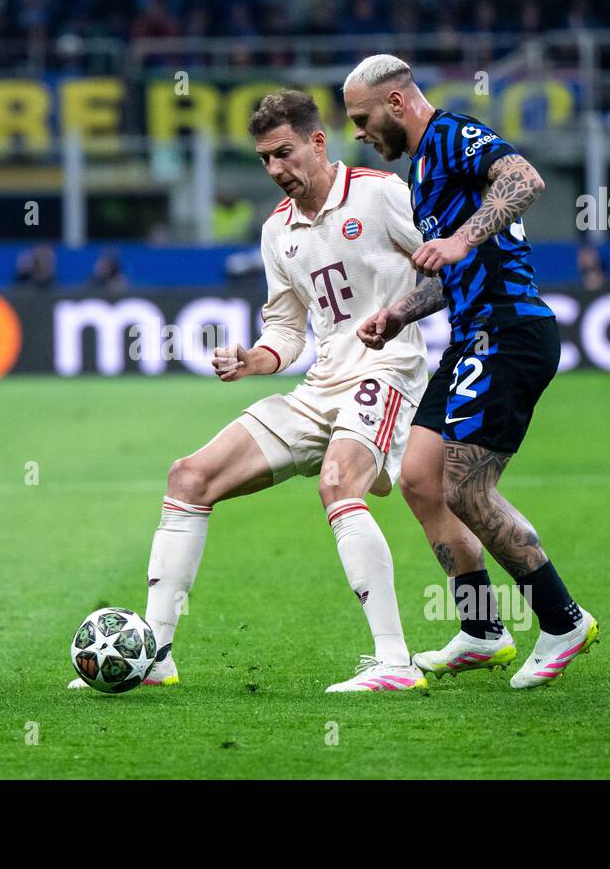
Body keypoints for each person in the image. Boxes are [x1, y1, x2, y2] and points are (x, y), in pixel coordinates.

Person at [70, 89, 432, 694]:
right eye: (264, 159)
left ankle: (394, 661)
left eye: (283, 153)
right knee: (188, 478)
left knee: (338, 483)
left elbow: (442, 264)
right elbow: (288, 329)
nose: (274, 170)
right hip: (320, 387)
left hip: (387, 371)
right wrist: (253, 359)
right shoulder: (277, 233)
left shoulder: (379, 193)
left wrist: (400, 314)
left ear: (318, 142)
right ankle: (156, 653)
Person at [346, 54, 598, 690]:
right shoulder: (421, 174)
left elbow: (525, 179)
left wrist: (460, 238)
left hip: (508, 332)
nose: (359, 132)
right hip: (469, 337)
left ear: (397, 102)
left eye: (362, 117)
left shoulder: (453, 135)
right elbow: (453, 272)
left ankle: (562, 619)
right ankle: (483, 630)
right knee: (421, 480)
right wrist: (402, 311)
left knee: (466, 488)